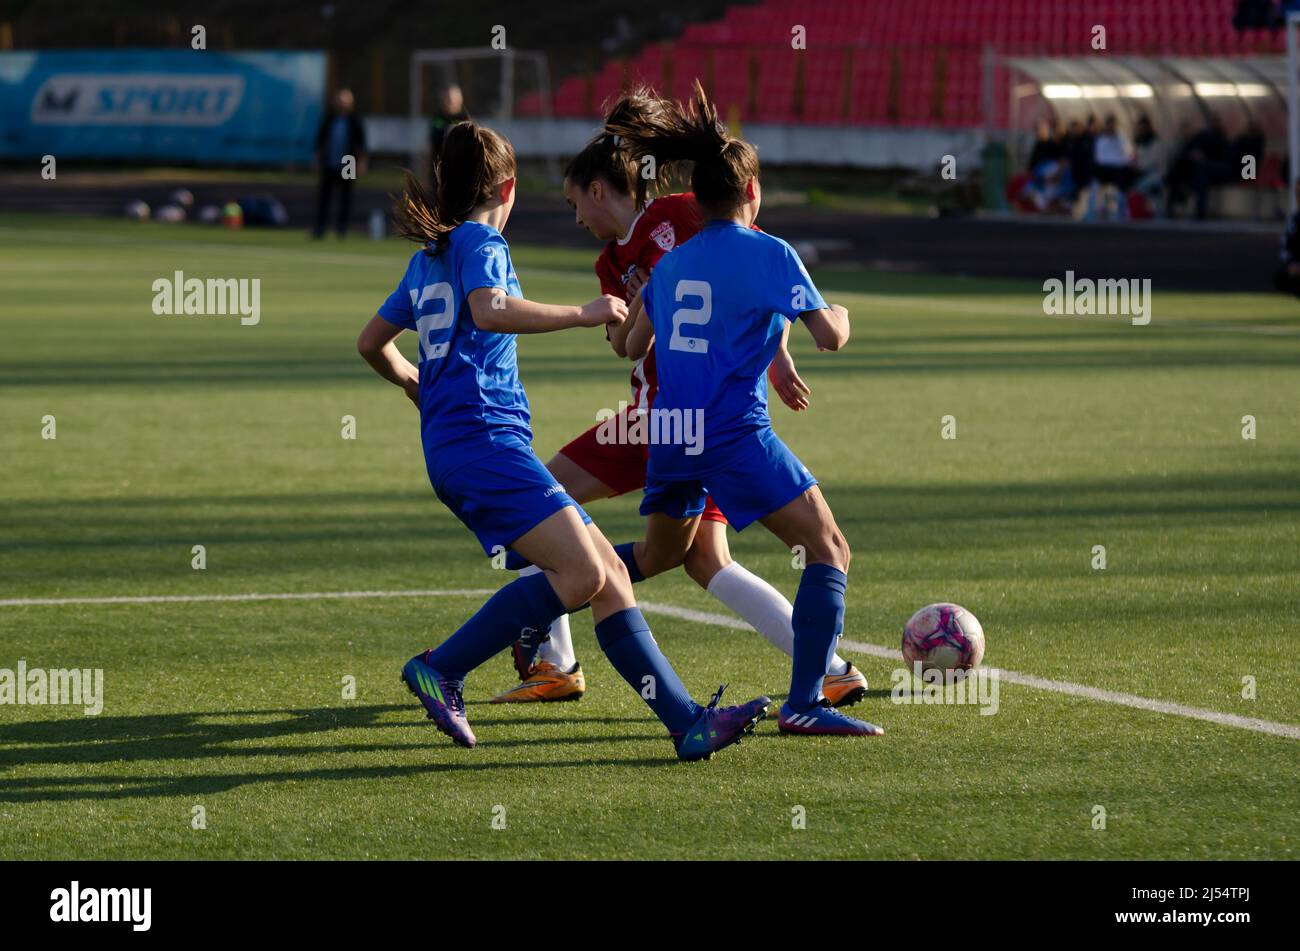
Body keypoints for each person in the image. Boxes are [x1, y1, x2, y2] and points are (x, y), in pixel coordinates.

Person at [355, 120, 770, 760]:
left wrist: (416, 383)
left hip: (459, 448)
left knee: (606, 577)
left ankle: (686, 722)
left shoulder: (426, 257)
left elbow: (370, 342)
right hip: (486, 444)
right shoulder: (480, 244)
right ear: (509, 187)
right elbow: (491, 309)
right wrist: (584, 313)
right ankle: (443, 666)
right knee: (578, 572)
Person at [492, 92, 869, 707]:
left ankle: (553, 650)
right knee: (699, 559)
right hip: (698, 423)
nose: (576, 218)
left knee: (538, 510)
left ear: (596, 188)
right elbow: (642, 337)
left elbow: (737, 270)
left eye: (572, 203)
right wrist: (627, 308)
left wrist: (776, 357)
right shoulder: (613, 262)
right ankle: (825, 668)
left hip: (661, 421)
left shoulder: (677, 217)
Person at [604, 80, 884, 737]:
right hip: (731, 433)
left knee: (653, 556)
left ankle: (548, 585)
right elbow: (831, 336)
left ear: (696, 202)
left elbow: (631, 344)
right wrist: (841, 311)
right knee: (829, 547)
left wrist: (627, 307)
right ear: (752, 194)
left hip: (672, 432)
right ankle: (805, 701)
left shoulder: (672, 265)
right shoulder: (770, 252)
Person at [313, 89, 367, 238]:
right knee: (325, 196)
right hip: (330, 163)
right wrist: (318, 160)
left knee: (345, 197)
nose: (342, 104)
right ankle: (320, 228)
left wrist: (361, 162)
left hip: (348, 162)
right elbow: (320, 140)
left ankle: (341, 229)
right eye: (340, 101)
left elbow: (361, 143)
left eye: (345, 101)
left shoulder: (355, 120)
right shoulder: (330, 118)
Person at [428, 83, 469, 187]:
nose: (449, 102)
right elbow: (430, 146)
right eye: (446, 99)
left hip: (459, 175)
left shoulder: (465, 120)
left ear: (460, 100)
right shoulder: (438, 117)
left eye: (452, 99)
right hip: (437, 173)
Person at [1273, 181, 1300, 296]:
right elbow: (1286, 249)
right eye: (1298, 193)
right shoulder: (1294, 220)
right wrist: (1293, 263)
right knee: (1281, 279)